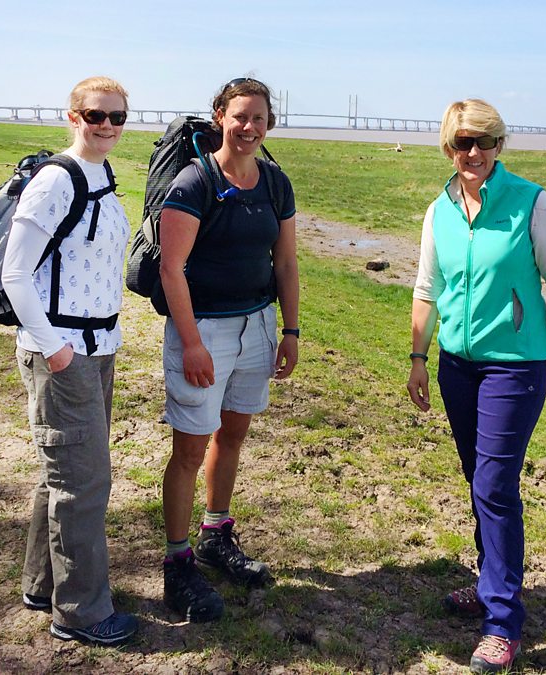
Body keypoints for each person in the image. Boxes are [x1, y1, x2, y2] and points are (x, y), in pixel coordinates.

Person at [406, 98, 546, 673]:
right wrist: (417, 356)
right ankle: (488, 584)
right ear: (448, 149)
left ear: (500, 146)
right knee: (477, 478)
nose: (472, 153)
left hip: (515, 367)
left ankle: (502, 622)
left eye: (483, 142)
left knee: (496, 485)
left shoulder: (533, 202)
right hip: (458, 365)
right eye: (461, 144)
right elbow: (428, 288)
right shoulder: (440, 210)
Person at [0, 75, 138, 645]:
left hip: (95, 349)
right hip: (64, 354)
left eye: (116, 117)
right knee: (84, 482)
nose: (105, 125)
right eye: (94, 115)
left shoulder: (100, 175)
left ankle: (43, 583)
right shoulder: (56, 180)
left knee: (62, 474)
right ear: (72, 116)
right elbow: (14, 274)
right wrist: (55, 350)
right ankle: (80, 612)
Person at [156, 77, 300, 622]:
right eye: (240, 116)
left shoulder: (276, 183)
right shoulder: (195, 181)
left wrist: (290, 331)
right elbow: (171, 270)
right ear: (219, 116)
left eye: (259, 119)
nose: (249, 127)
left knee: (232, 435)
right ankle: (177, 563)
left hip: (258, 325)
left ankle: (216, 534)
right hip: (204, 331)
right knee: (189, 450)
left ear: (269, 124)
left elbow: (285, 263)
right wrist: (191, 343)